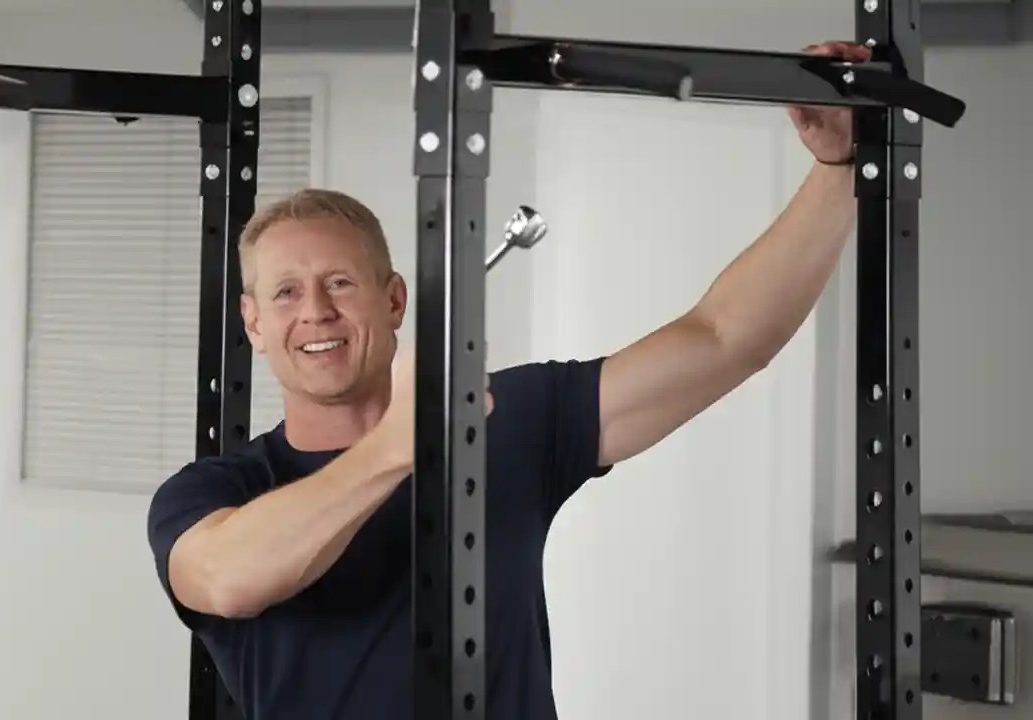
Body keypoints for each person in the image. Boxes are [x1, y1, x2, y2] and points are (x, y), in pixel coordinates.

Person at [147, 40, 871, 720]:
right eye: (286, 294)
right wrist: (396, 448)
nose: (317, 313)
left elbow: (724, 339)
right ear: (252, 323)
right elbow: (228, 580)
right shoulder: (214, 493)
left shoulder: (501, 420)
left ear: (395, 300)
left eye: (341, 283)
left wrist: (840, 168)